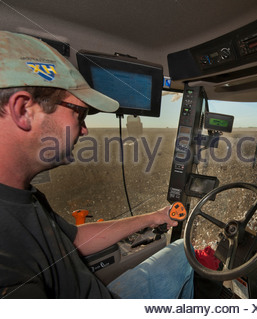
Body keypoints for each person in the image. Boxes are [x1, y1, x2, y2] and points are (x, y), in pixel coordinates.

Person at [0, 31, 194, 298]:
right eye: (79, 113)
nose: (85, 130)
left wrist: (155, 217)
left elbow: (75, 240)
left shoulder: (25, 197)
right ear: (23, 110)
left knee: (181, 252)